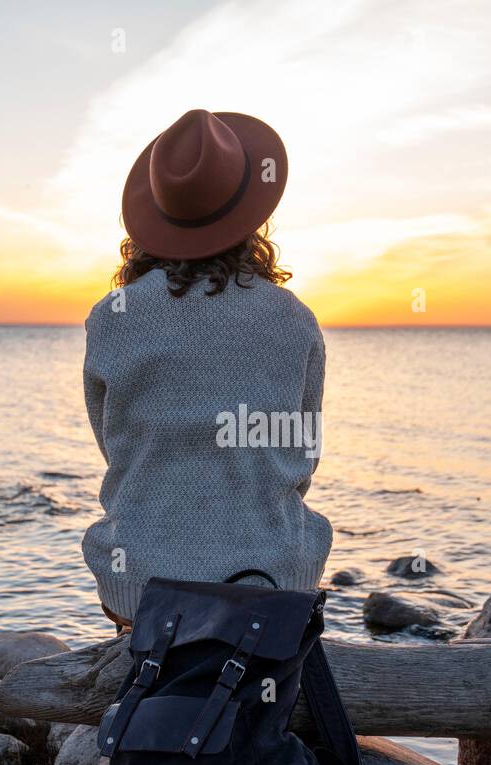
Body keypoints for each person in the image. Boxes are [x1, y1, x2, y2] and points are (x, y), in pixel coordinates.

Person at [81, 109, 331, 631]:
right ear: (251, 220)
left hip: (141, 585)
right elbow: (301, 459)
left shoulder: (112, 318)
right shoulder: (293, 318)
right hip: (268, 578)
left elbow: (117, 446)